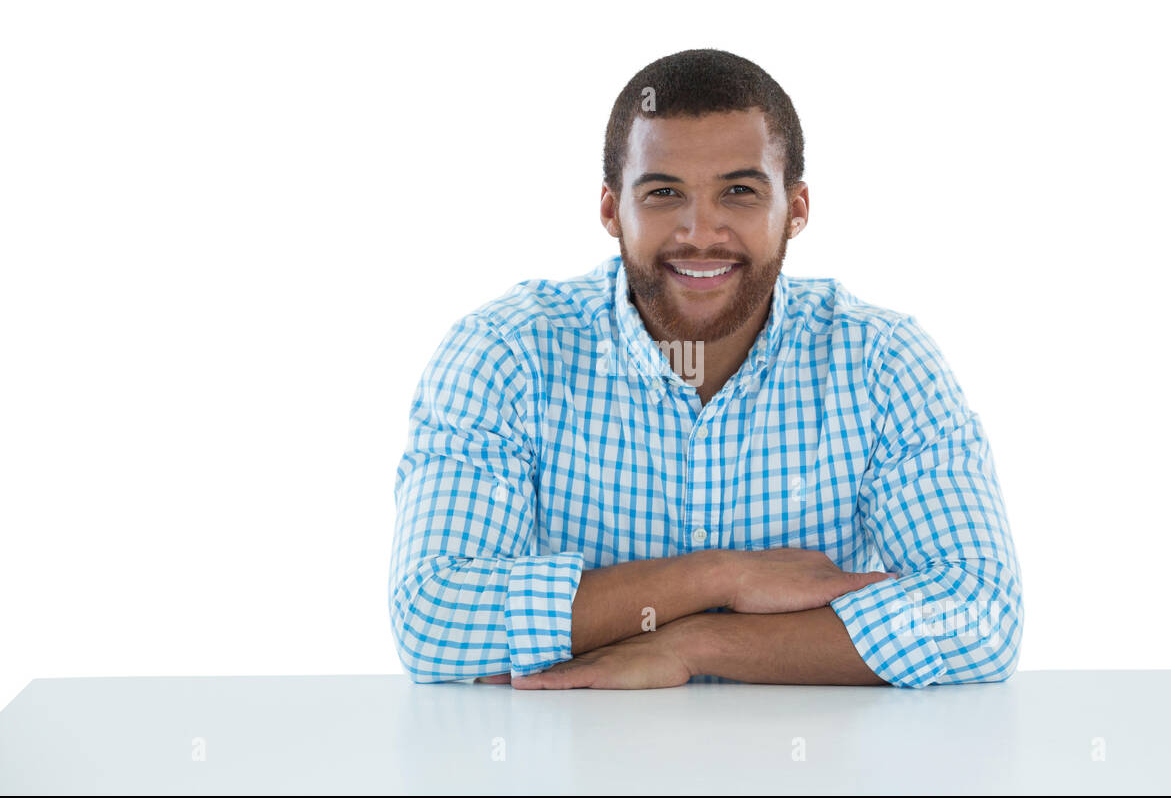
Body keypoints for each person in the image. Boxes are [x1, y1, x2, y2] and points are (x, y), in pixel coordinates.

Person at [388, 48, 1024, 689]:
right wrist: (721, 576)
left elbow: (982, 616)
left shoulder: (882, 362)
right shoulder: (505, 354)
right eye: (664, 193)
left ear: (796, 209)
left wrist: (696, 643)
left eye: (739, 193)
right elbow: (433, 617)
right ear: (611, 210)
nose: (700, 232)